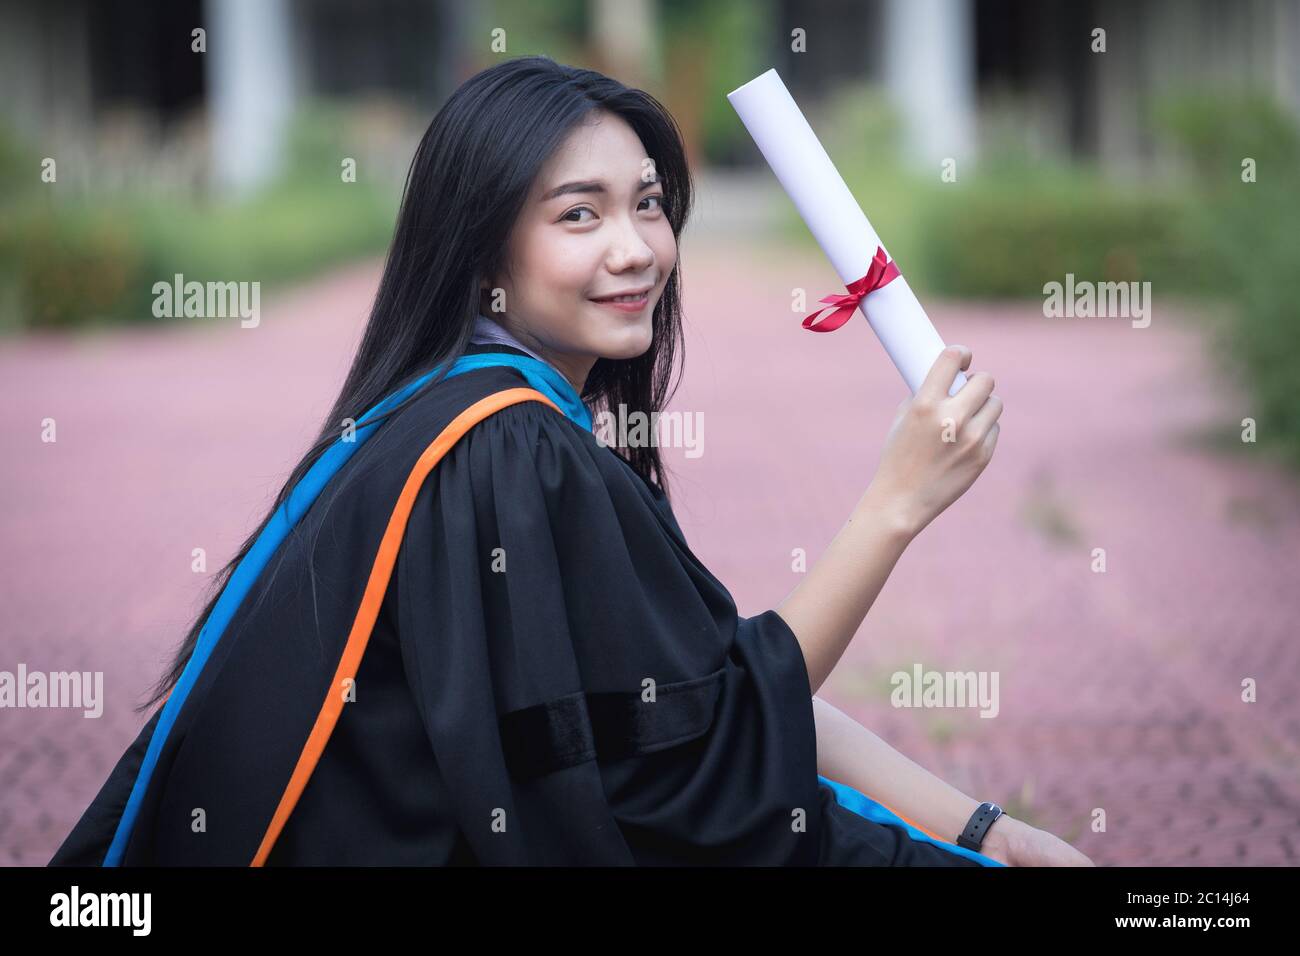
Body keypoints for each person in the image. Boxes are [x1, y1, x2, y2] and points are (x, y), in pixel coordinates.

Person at [49, 56, 1091, 867]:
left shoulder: (448, 409)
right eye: (577, 214)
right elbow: (712, 745)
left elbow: (701, 673)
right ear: (482, 245)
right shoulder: (504, 446)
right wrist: (893, 507)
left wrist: (976, 823)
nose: (635, 248)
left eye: (647, 203)